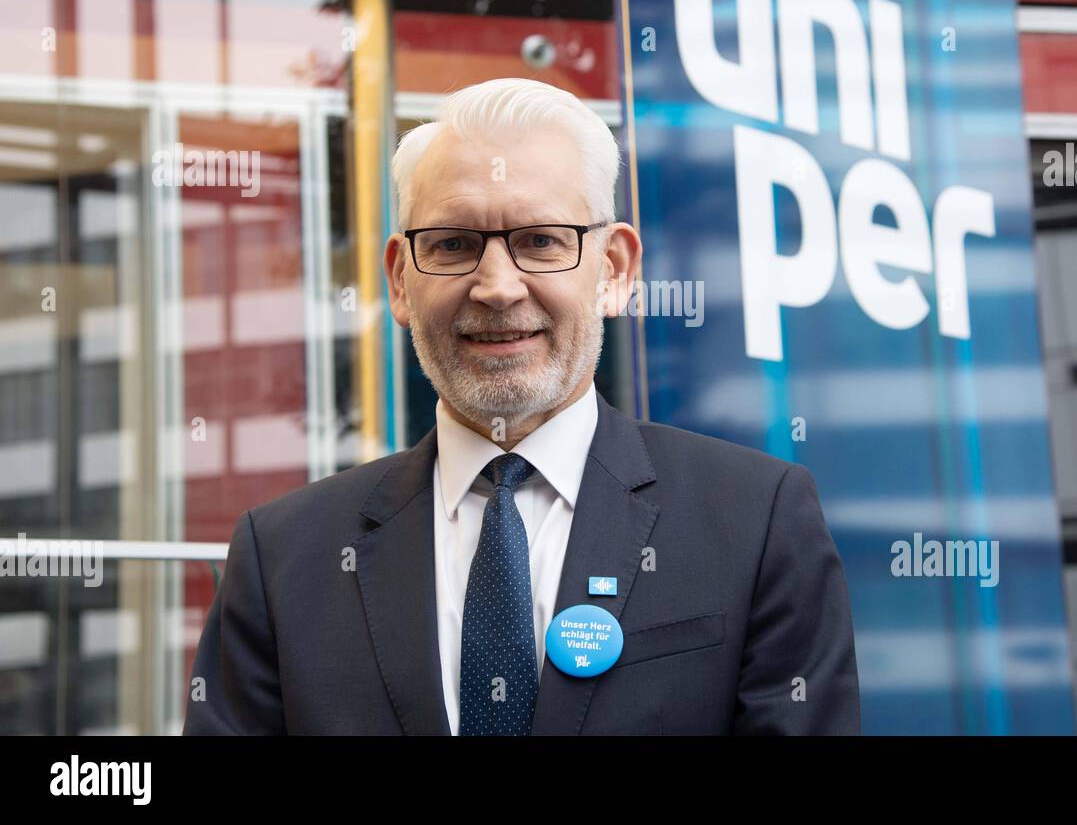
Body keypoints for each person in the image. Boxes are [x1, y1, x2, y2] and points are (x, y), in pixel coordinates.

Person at [183, 77, 860, 735]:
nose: (497, 287)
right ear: (399, 280)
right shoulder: (284, 558)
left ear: (615, 270)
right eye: (452, 244)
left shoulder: (756, 522)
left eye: (540, 240)